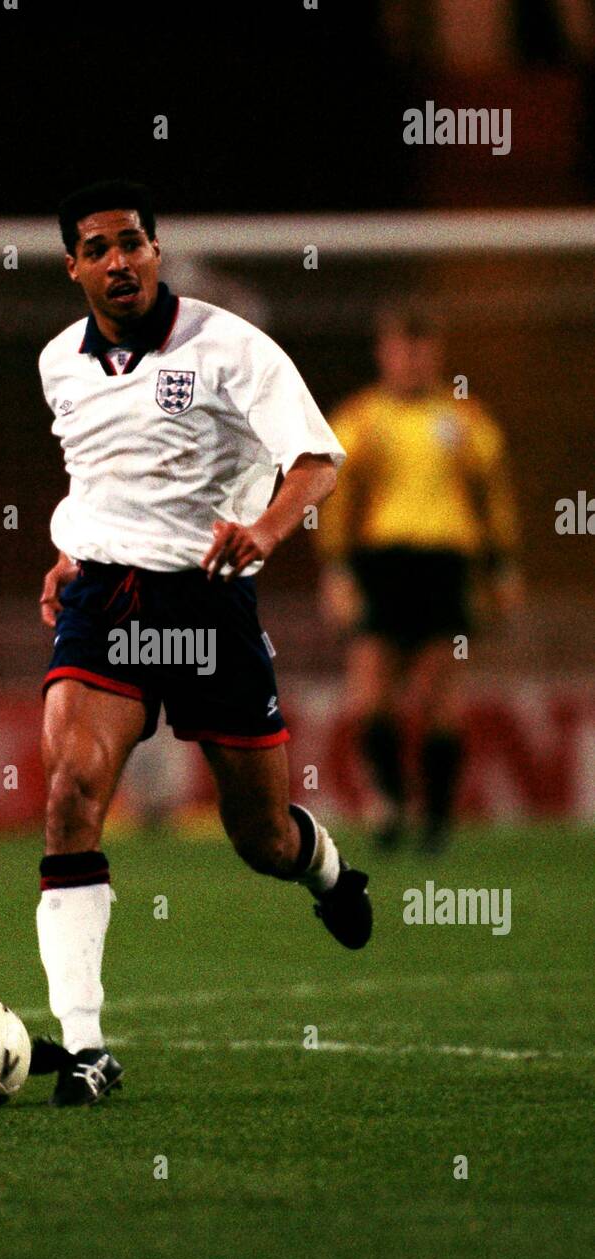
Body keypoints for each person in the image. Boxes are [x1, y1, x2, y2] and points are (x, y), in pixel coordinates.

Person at [28, 179, 373, 1107]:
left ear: (156, 249)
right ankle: (86, 1044)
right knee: (70, 795)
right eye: (97, 248)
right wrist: (68, 553)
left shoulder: (229, 347)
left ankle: (330, 872)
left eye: (131, 242)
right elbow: (99, 478)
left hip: (210, 609)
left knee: (260, 838)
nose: (118, 261)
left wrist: (265, 530)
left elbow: (318, 462)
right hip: (104, 605)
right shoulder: (60, 363)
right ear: (74, 267)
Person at [318, 304, 522, 853]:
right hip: (379, 565)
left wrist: (502, 567)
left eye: (420, 348)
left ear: (435, 354)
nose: (410, 359)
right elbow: (334, 500)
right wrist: (336, 570)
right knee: (370, 695)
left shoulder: (467, 422)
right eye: (400, 347)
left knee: (437, 692)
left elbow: (493, 497)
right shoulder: (358, 420)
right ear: (384, 353)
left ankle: (436, 815)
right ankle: (390, 801)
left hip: (445, 567)